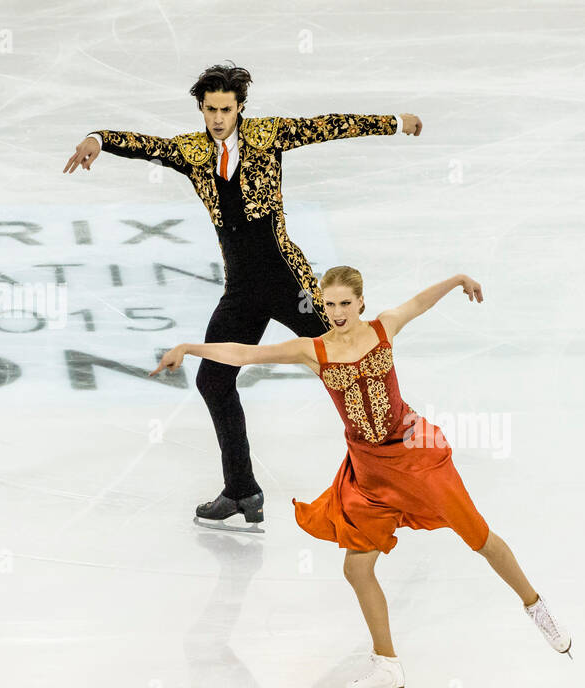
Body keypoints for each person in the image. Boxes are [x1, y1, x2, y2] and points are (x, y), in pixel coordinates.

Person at [150, 266, 574, 688]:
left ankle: (536, 607)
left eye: (344, 304)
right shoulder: (311, 350)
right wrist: (189, 347)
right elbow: (244, 354)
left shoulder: (383, 327)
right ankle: (387, 663)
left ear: (360, 303)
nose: (336, 312)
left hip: (414, 453)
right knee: (357, 568)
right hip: (369, 469)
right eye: (329, 304)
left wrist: (458, 280)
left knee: (480, 537)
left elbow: (419, 302)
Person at [63, 61, 422, 531]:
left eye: (225, 109)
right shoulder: (191, 150)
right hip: (242, 291)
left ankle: (405, 462)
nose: (217, 119)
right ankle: (242, 489)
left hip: (288, 284)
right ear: (201, 108)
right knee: (213, 381)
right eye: (210, 109)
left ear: (240, 108)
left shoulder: (268, 135)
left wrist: (394, 123)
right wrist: (99, 139)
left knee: (351, 366)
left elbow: (328, 127)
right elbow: (146, 145)